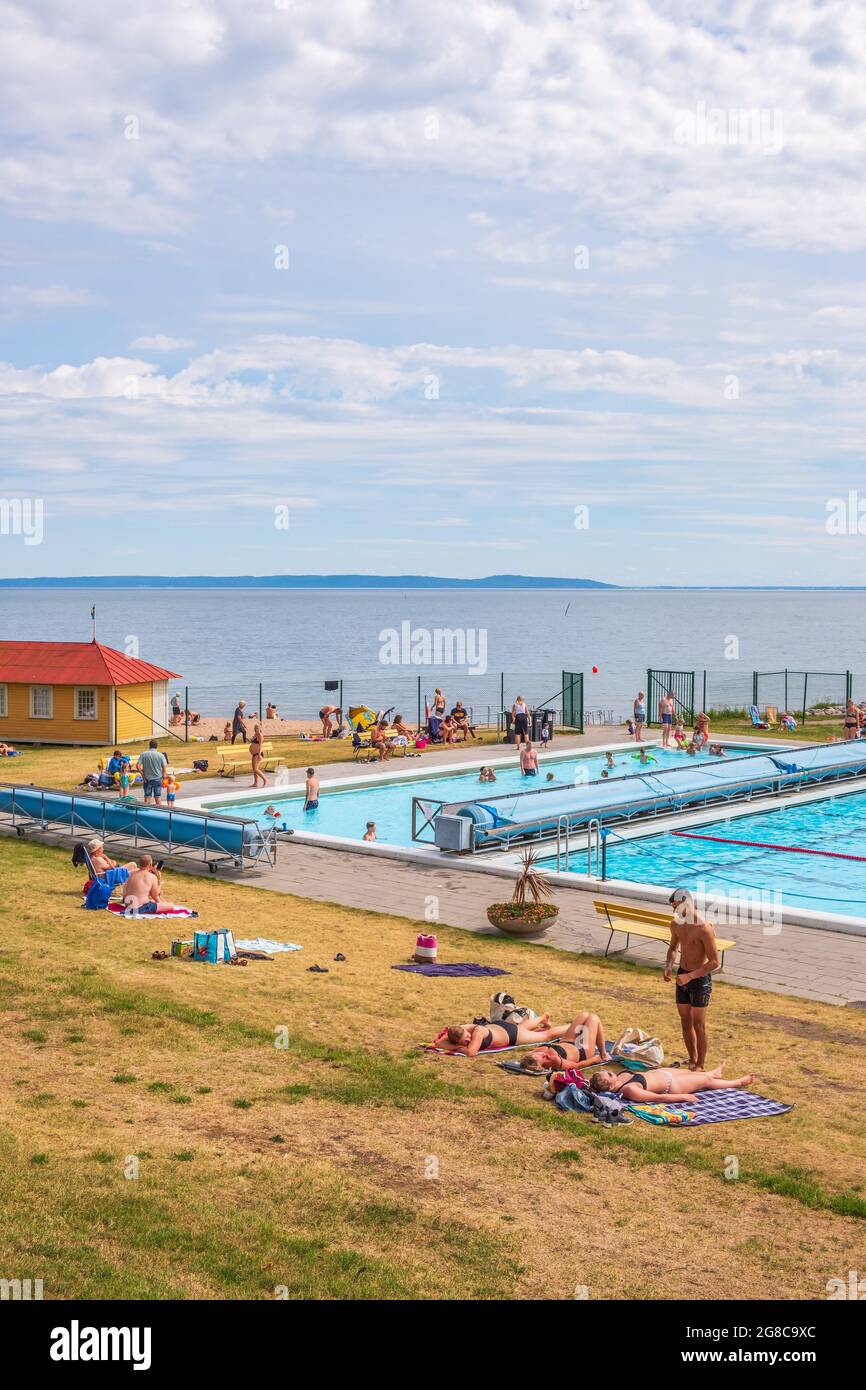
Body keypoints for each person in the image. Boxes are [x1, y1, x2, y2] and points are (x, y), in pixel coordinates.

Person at [664, 887, 720, 1070]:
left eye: (676, 907)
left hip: (699, 980)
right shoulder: (677, 925)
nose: (675, 912)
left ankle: (701, 1064)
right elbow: (673, 948)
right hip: (683, 976)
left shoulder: (704, 928)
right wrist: (668, 965)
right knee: (685, 1020)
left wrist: (690, 976)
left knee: (698, 1024)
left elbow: (714, 962)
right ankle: (692, 1059)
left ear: (686, 902)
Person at [589, 1060, 754, 1104]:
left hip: (662, 1073)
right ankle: (737, 1083)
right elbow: (656, 1098)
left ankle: (715, 1072)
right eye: (609, 1074)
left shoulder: (620, 1078)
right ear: (611, 1086)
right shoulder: (628, 1090)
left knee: (693, 1072)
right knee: (706, 1080)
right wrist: (682, 1097)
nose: (611, 1071)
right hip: (671, 1086)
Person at [518, 1012, 611, 1071]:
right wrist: (596, 1059)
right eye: (544, 1058)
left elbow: (525, 1058)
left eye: (540, 1054)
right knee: (594, 1018)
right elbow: (577, 1065)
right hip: (583, 1050)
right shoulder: (557, 1062)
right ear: (542, 1065)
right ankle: (603, 1053)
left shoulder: (531, 1056)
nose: (543, 1054)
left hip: (567, 1040)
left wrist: (532, 1055)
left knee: (584, 1015)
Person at [136, 739, 168, 805]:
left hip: (147, 779)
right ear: (157, 746)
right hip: (158, 778)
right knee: (158, 796)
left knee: (147, 797)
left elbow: (137, 765)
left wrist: (142, 775)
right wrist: (164, 776)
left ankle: (145, 812)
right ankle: (160, 812)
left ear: (149, 746)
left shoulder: (144, 754)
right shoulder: (161, 755)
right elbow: (164, 768)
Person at [250, 720, 267, 789]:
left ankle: (265, 779)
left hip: (257, 754)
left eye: (257, 728)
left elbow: (260, 746)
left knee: (255, 769)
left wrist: (259, 754)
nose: (255, 729)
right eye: (255, 728)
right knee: (254, 769)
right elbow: (253, 743)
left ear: (259, 728)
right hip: (254, 754)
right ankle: (255, 783)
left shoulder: (260, 735)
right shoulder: (255, 734)